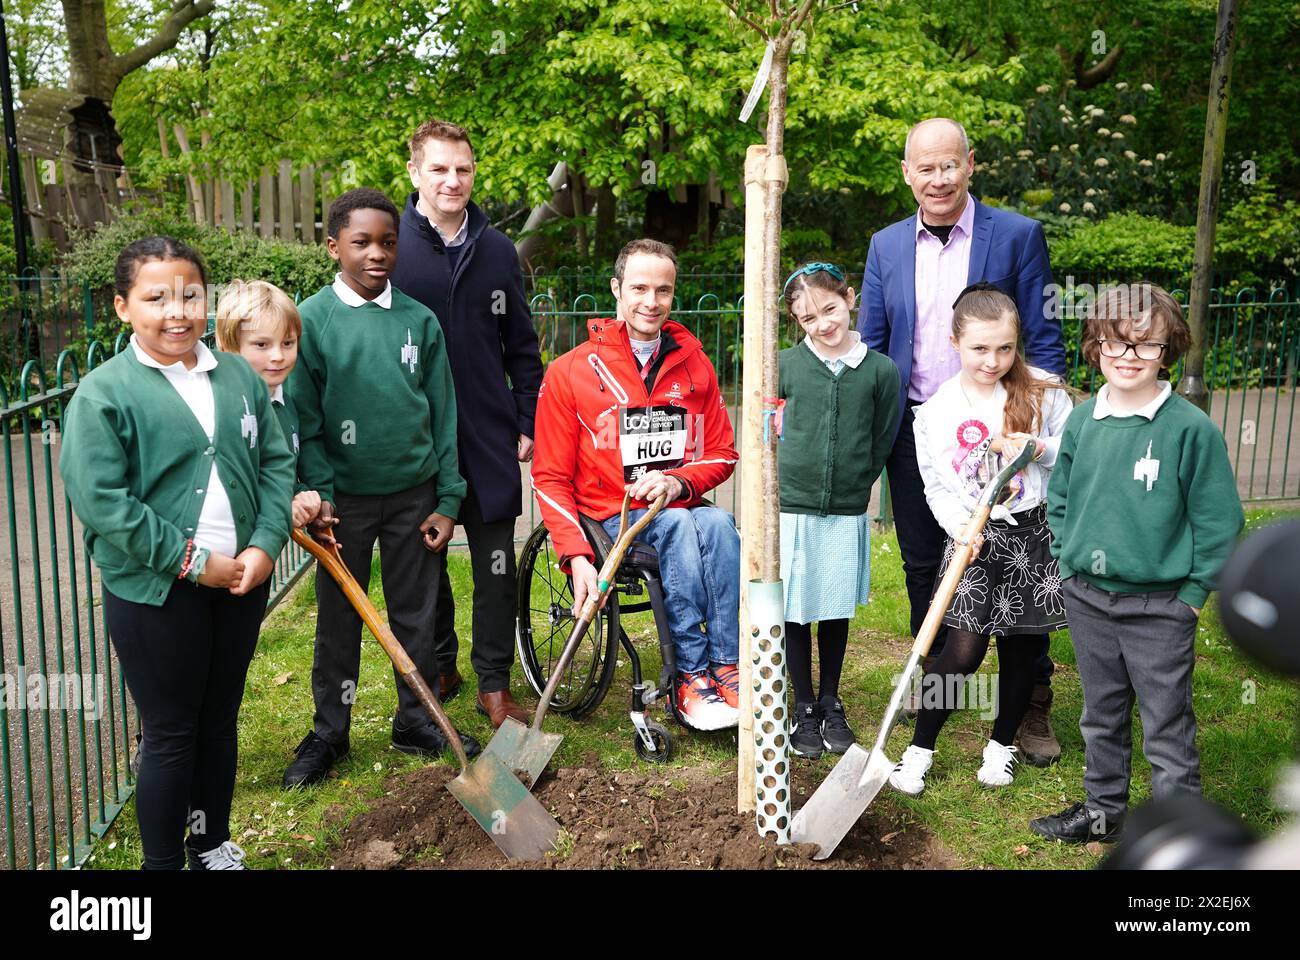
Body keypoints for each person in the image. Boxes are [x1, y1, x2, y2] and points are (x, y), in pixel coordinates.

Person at [61, 237, 294, 869]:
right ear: (121, 307)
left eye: (190, 295)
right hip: (155, 594)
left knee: (219, 720)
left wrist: (265, 545)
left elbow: (274, 461)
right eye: (156, 297)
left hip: (242, 582)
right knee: (170, 733)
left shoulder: (238, 375)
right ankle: (161, 865)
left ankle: (209, 842)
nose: (177, 312)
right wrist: (194, 562)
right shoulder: (104, 395)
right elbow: (105, 502)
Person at [858, 116, 1067, 765]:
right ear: (907, 173)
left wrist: (1033, 424)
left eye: (950, 165)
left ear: (970, 164)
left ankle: (1030, 704)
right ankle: (940, 684)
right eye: (926, 167)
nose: (939, 178)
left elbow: (1046, 336)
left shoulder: (1019, 235)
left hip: (1002, 430)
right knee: (930, 566)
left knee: (1022, 566)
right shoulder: (886, 245)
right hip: (919, 429)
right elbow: (869, 343)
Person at [1031, 283, 1244, 842]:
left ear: (1167, 350)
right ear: (1095, 347)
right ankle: (1103, 813)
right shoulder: (1081, 422)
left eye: (1145, 345)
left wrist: (1194, 596)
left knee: (1165, 723)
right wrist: (1068, 562)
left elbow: (1219, 520)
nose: (1128, 356)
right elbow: (1062, 498)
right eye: (1114, 342)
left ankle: (1181, 833)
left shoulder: (1189, 429)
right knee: (1100, 714)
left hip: (1161, 605)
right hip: (1088, 598)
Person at [283, 188, 476, 789]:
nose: (377, 254)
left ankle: (416, 718)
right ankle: (328, 733)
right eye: (361, 242)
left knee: (415, 614)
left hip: (415, 497)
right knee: (340, 618)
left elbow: (443, 414)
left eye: (388, 242)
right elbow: (307, 421)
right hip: (343, 506)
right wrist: (320, 495)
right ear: (333, 245)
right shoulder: (311, 322)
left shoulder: (419, 320)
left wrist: (447, 500)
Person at [531, 238, 741, 731]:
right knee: (678, 527)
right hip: (609, 516)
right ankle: (690, 675)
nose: (652, 301)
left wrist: (677, 480)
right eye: (640, 288)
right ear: (616, 289)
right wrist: (575, 557)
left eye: (663, 290)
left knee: (718, 523)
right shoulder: (570, 372)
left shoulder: (695, 364)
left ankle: (727, 666)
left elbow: (722, 452)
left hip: (679, 505)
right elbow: (549, 476)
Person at [888, 283, 1072, 795]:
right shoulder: (937, 410)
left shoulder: (1044, 391)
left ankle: (1001, 747)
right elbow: (936, 485)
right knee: (962, 651)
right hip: (973, 535)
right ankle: (918, 750)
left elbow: (1074, 453)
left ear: (1017, 343)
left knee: (1022, 647)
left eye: (1004, 348)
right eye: (979, 349)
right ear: (953, 343)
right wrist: (959, 530)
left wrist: (1035, 447)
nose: (993, 360)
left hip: (1033, 533)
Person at [390, 119, 544, 727]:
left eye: (464, 169)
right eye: (439, 169)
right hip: (415, 438)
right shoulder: (390, 246)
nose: (453, 181)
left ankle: (493, 682)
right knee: (424, 563)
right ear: (415, 173)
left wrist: (526, 415)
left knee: (494, 563)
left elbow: (522, 347)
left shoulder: (499, 250)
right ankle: (440, 663)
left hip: (486, 433)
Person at [778, 263, 899, 758]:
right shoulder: (783, 365)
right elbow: (769, 429)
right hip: (792, 507)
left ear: (849, 299)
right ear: (796, 321)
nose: (823, 324)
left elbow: (883, 438)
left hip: (845, 508)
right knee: (794, 607)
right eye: (808, 319)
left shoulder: (880, 371)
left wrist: (854, 483)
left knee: (832, 607)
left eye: (830, 309)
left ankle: (830, 698)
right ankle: (802, 704)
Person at [214, 279, 338, 541]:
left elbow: (278, 475)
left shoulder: (285, 404)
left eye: (287, 343)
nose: (278, 356)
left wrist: (301, 496)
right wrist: (283, 509)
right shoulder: (223, 411)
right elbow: (232, 492)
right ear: (229, 346)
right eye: (261, 345)